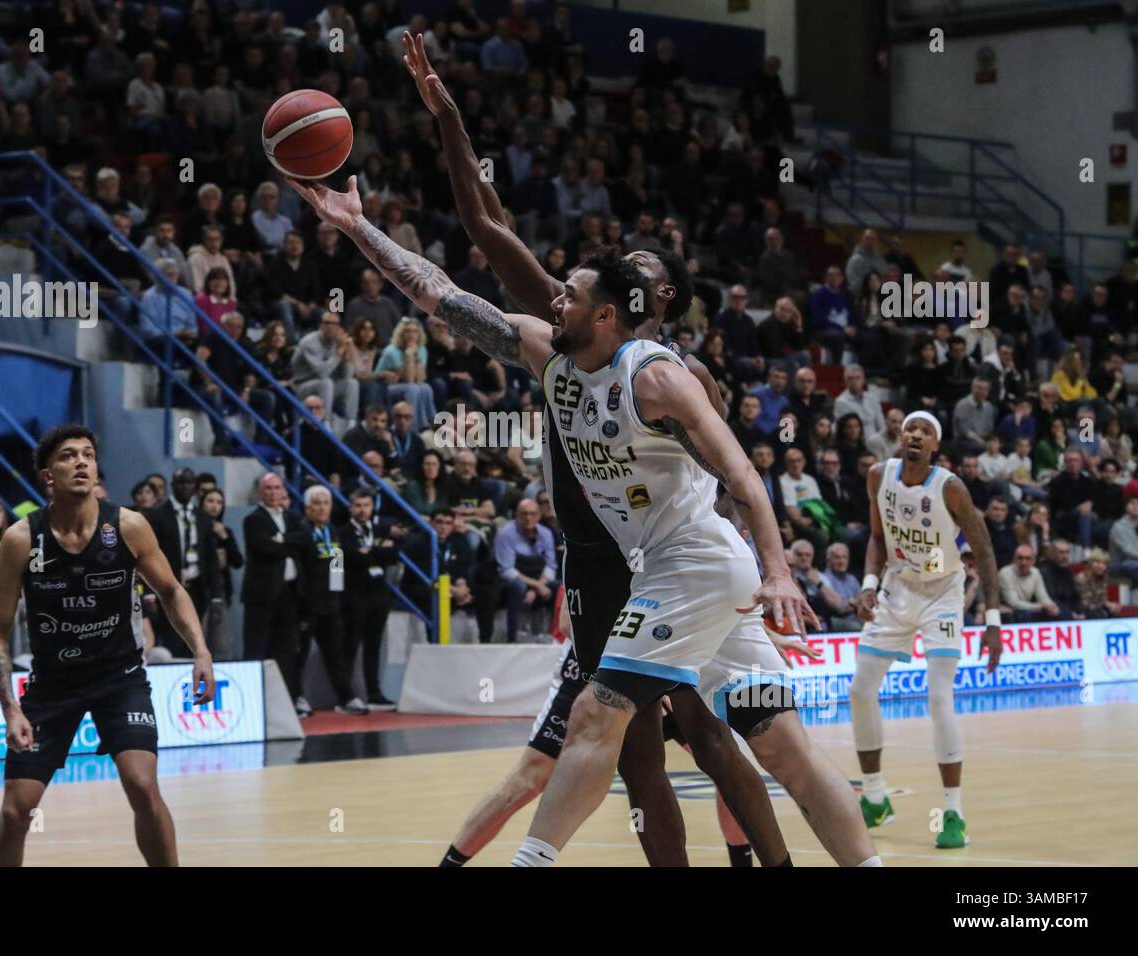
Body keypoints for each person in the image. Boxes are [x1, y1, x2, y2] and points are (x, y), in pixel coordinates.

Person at [292, 104, 878, 868]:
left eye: (569, 293)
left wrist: (777, 570)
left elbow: (740, 471)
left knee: (598, 719)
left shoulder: (661, 376)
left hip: (689, 564)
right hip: (672, 572)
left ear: (611, 313)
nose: (553, 299)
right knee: (783, 748)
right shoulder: (552, 352)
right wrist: (358, 226)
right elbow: (440, 293)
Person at [0, 425, 215, 866]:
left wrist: (201, 651)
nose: (82, 462)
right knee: (15, 812)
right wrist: (10, 706)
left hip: (119, 679)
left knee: (142, 785)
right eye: (69, 456)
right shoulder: (21, 540)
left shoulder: (128, 526)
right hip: (52, 687)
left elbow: (171, 591)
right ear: (48, 476)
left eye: (88, 454)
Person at [851, 411, 1003, 850]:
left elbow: (985, 548)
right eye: (910, 429)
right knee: (861, 690)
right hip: (897, 589)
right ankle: (876, 797)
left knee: (939, 697)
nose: (916, 435)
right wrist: (867, 585)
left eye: (926, 432)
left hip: (942, 593)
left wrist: (992, 622)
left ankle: (953, 812)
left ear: (935, 445)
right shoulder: (879, 476)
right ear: (900, 437)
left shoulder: (950, 487)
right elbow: (877, 538)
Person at [290, 484, 369, 715]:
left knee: (336, 654)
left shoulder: (333, 532)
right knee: (299, 654)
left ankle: (346, 698)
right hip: (307, 604)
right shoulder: (301, 532)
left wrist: (336, 596)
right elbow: (299, 569)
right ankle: (296, 697)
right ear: (306, 507)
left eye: (326, 503)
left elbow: (337, 568)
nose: (322, 508)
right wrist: (302, 599)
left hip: (330, 604)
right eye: (317, 503)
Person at [242, 472, 311, 716]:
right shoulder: (253, 519)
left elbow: (304, 539)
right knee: (257, 648)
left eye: (277, 488)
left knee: (286, 649)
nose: (273, 492)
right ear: (261, 492)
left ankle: (286, 701)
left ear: (284, 491)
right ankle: (252, 702)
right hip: (262, 595)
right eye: (268, 488)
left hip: (289, 594)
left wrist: (281, 539)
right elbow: (265, 548)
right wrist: (286, 544)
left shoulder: (291, 518)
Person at [339, 487, 405, 708]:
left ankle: (374, 692)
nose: (362, 510)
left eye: (366, 505)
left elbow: (393, 555)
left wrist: (369, 553)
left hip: (378, 594)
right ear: (350, 507)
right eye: (358, 505)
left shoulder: (381, 530)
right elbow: (347, 559)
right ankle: (345, 695)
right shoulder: (342, 532)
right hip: (353, 594)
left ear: (373, 507)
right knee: (350, 645)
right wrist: (376, 553)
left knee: (374, 646)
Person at [145, 468, 220, 657]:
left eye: (189, 483)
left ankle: (191, 682)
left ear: (195, 487)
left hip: (197, 587)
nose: (186, 487)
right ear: (173, 485)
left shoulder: (203, 518)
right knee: (171, 640)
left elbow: (211, 559)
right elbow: (148, 556)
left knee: (194, 640)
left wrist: (216, 595)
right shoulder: (157, 515)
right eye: (181, 482)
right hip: (168, 587)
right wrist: (148, 593)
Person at [494, 497, 556, 643]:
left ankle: (555, 637)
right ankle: (513, 637)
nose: (528, 518)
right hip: (513, 579)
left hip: (538, 579)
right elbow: (507, 570)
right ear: (517, 515)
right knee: (517, 587)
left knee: (559, 587)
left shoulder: (546, 533)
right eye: (524, 513)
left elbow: (551, 566)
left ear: (539, 515)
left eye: (532, 513)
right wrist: (537, 586)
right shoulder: (505, 533)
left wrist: (537, 588)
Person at [199, 486, 243, 661]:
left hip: (221, 593)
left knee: (221, 644)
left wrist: (224, 537)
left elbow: (238, 561)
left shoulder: (225, 531)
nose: (214, 506)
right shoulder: (194, 530)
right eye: (210, 501)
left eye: (219, 502)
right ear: (201, 504)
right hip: (197, 592)